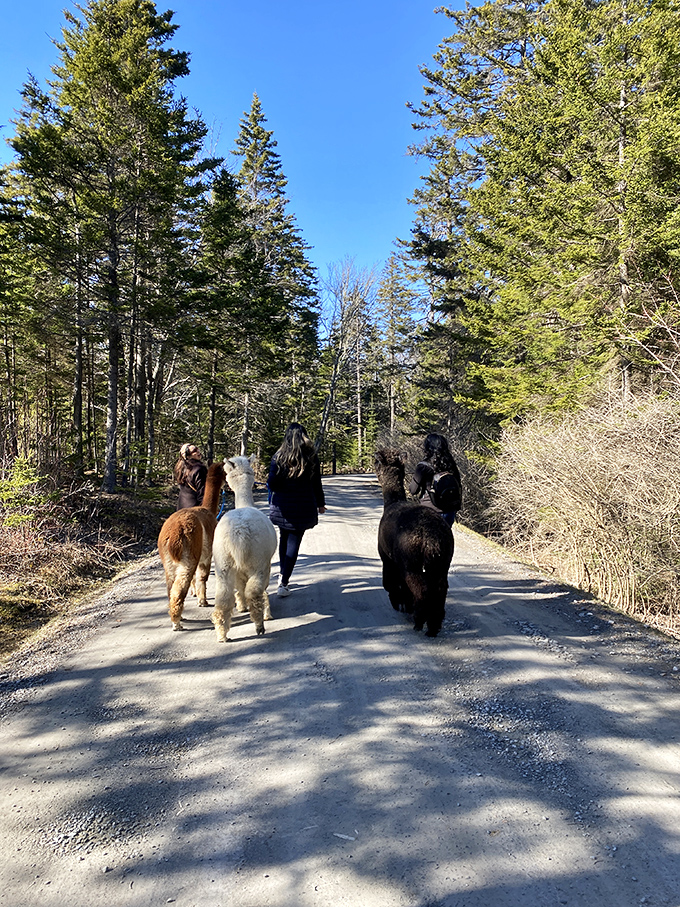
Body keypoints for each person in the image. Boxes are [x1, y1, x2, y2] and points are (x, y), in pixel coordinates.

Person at [267, 422, 326, 597]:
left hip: (282, 507)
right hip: (304, 506)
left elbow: (272, 483)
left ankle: (282, 575)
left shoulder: (278, 456)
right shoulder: (310, 457)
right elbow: (317, 483)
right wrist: (320, 503)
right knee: (294, 542)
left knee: (284, 538)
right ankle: (284, 582)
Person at [408, 432, 462, 528]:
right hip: (449, 511)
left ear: (428, 448)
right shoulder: (451, 465)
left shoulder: (423, 466)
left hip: (429, 511)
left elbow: (413, 490)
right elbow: (459, 486)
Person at [173, 443, 208, 510]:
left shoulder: (180, 468)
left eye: (197, 448)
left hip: (181, 508)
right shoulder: (199, 469)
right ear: (188, 456)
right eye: (194, 450)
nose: (198, 451)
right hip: (195, 509)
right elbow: (202, 493)